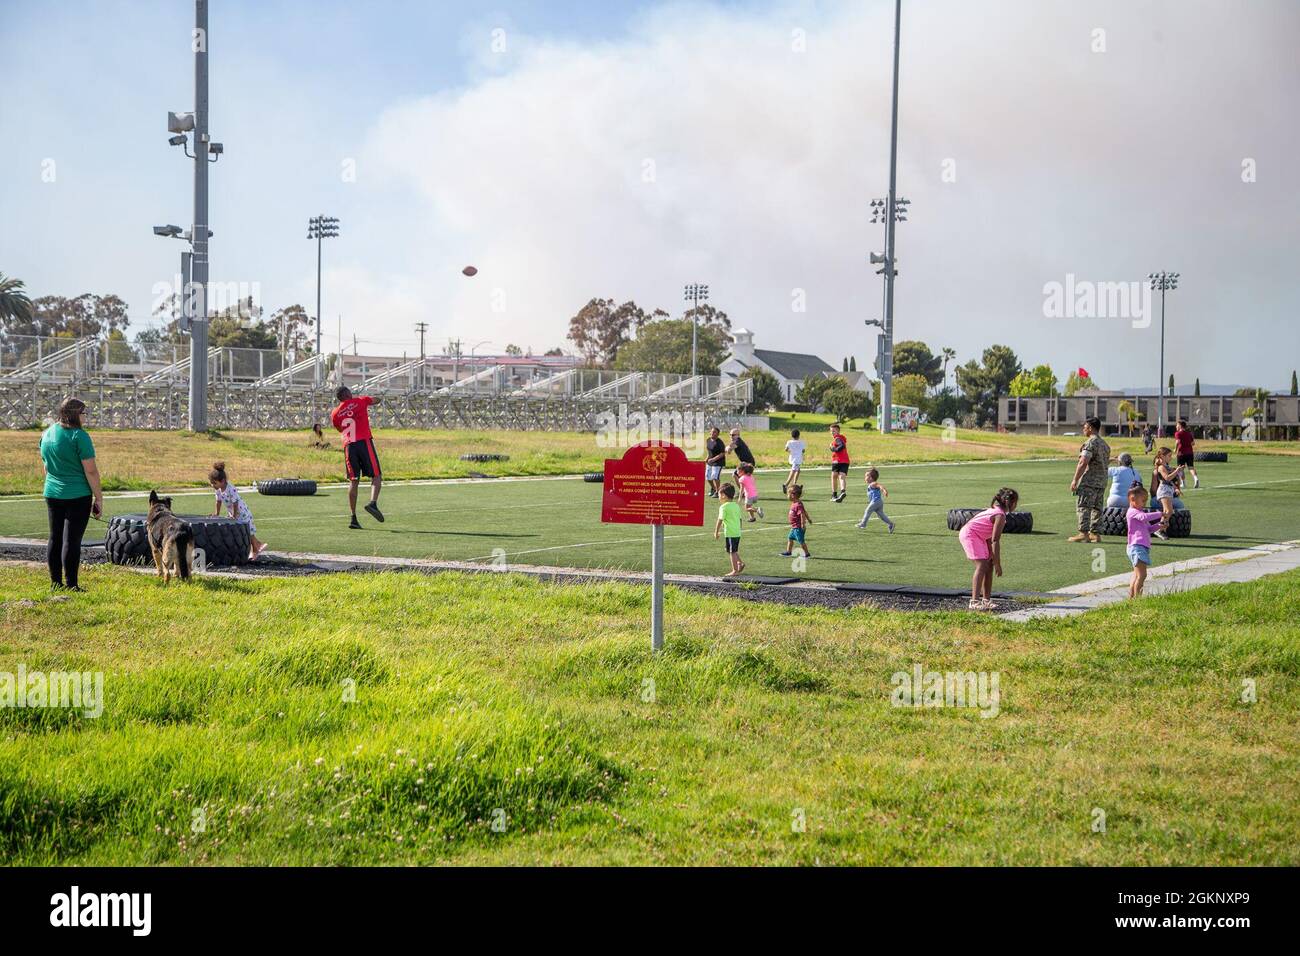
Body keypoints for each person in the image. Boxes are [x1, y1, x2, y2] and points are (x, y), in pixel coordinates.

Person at [39, 397, 102, 592]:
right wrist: (98, 497)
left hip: (52, 492)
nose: (86, 417)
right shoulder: (79, 436)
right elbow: (90, 470)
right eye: (84, 413)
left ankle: (55, 583)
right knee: (71, 541)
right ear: (75, 414)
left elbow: (46, 467)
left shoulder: (47, 433)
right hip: (77, 495)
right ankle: (72, 584)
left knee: (55, 538)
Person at [330, 386, 384, 529]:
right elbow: (376, 400)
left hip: (349, 445)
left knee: (354, 480)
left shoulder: (335, 413)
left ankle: (353, 517)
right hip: (364, 441)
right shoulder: (360, 401)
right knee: (376, 475)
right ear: (347, 393)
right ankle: (373, 503)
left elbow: (340, 429)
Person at [958, 487, 1018, 611]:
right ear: (1011, 503)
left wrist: (992, 558)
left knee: (988, 564)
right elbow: (995, 540)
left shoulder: (996, 511)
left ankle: (986, 600)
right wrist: (998, 563)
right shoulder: (999, 515)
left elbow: (987, 534)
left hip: (979, 536)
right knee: (982, 566)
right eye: (1016, 502)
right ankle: (974, 601)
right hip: (970, 534)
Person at [209, 461, 266, 560]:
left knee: (248, 531)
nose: (212, 485)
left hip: (241, 512)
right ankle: (258, 546)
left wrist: (234, 515)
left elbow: (235, 503)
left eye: (214, 483)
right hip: (233, 512)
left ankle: (256, 548)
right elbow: (218, 501)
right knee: (246, 531)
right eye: (211, 483)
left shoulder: (230, 488)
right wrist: (216, 513)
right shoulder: (218, 490)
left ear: (222, 481)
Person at [1068, 416, 1110, 543]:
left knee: (1084, 506)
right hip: (1102, 481)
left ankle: (1083, 533)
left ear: (1091, 428)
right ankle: (1095, 534)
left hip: (1090, 481)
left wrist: (1075, 479)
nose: (1083, 429)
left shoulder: (1091, 443)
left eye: (1085, 427)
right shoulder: (1105, 444)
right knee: (1097, 508)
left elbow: (1083, 462)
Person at [1125, 483, 1167, 598]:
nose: (1144, 504)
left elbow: (1148, 529)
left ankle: (1132, 598)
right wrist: (1160, 513)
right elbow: (1144, 518)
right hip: (1137, 547)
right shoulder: (1132, 512)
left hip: (1139, 546)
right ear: (1133, 499)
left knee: (1136, 575)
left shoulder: (1139, 513)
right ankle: (1137, 599)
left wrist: (1159, 525)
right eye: (1143, 501)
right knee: (1142, 575)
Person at [1151, 446, 1183, 540]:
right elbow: (1167, 478)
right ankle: (1159, 529)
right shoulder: (1161, 467)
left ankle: (1162, 530)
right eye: (1169, 455)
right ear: (1162, 456)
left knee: (1168, 511)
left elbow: (1171, 481)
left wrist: (1176, 488)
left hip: (1168, 490)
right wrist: (1176, 471)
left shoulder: (1167, 467)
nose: (1171, 457)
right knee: (1168, 511)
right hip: (1164, 490)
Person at [713, 483, 745, 577]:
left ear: (723, 495)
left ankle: (735, 570)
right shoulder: (736, 505)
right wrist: (739, 529)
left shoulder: (723, 507)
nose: (718, 497)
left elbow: (720, 520)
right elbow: (740, 519)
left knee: (732, 552)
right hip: (737, 532)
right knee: (732, 550)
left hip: (730, 533)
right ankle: (740, 563)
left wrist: (716, 532)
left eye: (719, 494)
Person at [856, 467, 895, 532]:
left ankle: (863, 524)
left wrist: (884, 490)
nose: (865, 477)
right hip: (879, 502)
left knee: (867, 511)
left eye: (866, 476)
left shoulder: (873, 483)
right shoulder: (871, 484)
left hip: (876, 501)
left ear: (871, 478)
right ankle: (891, 524)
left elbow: (880, 486)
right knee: (881, 515)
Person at [779, 484, 811, 559]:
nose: (787, 496)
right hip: (794, 527)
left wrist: (803, 524)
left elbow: (802, 514)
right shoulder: (794, 503)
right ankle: (788, 552)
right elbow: (805, 512)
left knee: (801, 541)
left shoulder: (798, 504)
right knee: (790, 538)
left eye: (788, 494)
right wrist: (809, 519)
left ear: (793, 495)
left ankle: (807, 554)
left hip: (798, 527)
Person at [1173, 418, 1200, 489]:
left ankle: (1183, 483)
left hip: (1181, 453)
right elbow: (1193, 443)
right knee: (1191, 467)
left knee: (1181, 468)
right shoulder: (1189, 433)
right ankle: (1196, 479)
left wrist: (1175, 449)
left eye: (1177, 425)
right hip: (1190, 453)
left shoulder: (1177, 433)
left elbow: (1177, 442)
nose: (1176, 426)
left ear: (1180, 426)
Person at [828, 423, 850, 502]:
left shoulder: (837, 438)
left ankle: (834, 495)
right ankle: (843, 491)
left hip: (837, 460)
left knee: (834, 477)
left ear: (838, 431)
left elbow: (841, 446)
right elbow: (843, 445)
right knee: (842, 477)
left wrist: (833, 449)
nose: (832, 433)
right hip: (845, 461)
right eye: (831, 431)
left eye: (833, 431)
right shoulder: (841, 438)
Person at [704, 426, 726, 498]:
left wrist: (713, 459)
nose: (712, 433)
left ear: (718, 434)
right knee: (708, 477)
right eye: (712, 431)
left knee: (715, 476)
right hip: (710, 461)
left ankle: (717, 491)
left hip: (718, 462)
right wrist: (707, 459)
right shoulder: (708, 440)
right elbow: (709, 451)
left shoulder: (720, 442)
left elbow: (722, 454)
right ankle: (713, 488)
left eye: (714, 432)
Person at [782, 429, 805, 495]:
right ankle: (787, 484)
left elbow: (786, 449)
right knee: (794, 470)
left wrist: (791, 451)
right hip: (798, 459)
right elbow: (803, 450)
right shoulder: (801, 442)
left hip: (792, 458)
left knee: (797, 470)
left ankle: (793, 484)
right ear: (799, 435)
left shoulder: (789, 442)